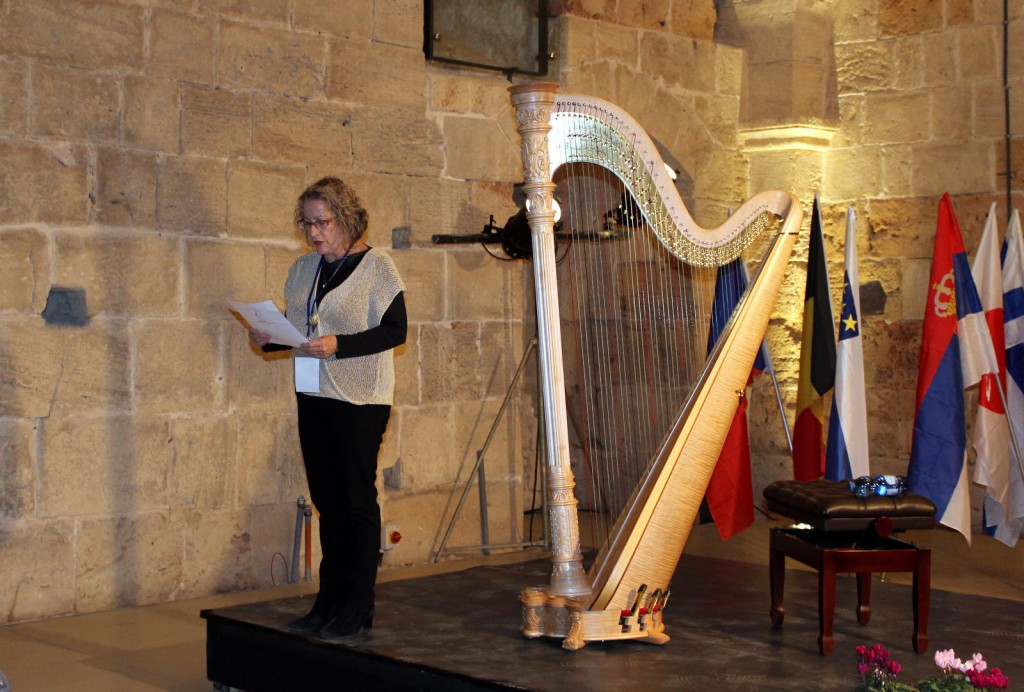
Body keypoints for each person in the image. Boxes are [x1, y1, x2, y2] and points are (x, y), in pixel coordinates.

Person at [248, 177, 406, 640]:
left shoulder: (378, 267)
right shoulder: (303, 270)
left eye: (323, 222)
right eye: (307, 223)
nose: (314, 232)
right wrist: (267, 337)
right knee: (327, 502)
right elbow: (299, 332)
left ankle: (358, 606)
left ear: (346, 217)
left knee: (356, 502)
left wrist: (340, 344)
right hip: (314, 394)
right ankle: (328, 602)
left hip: (360, 398)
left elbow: (395, 331)